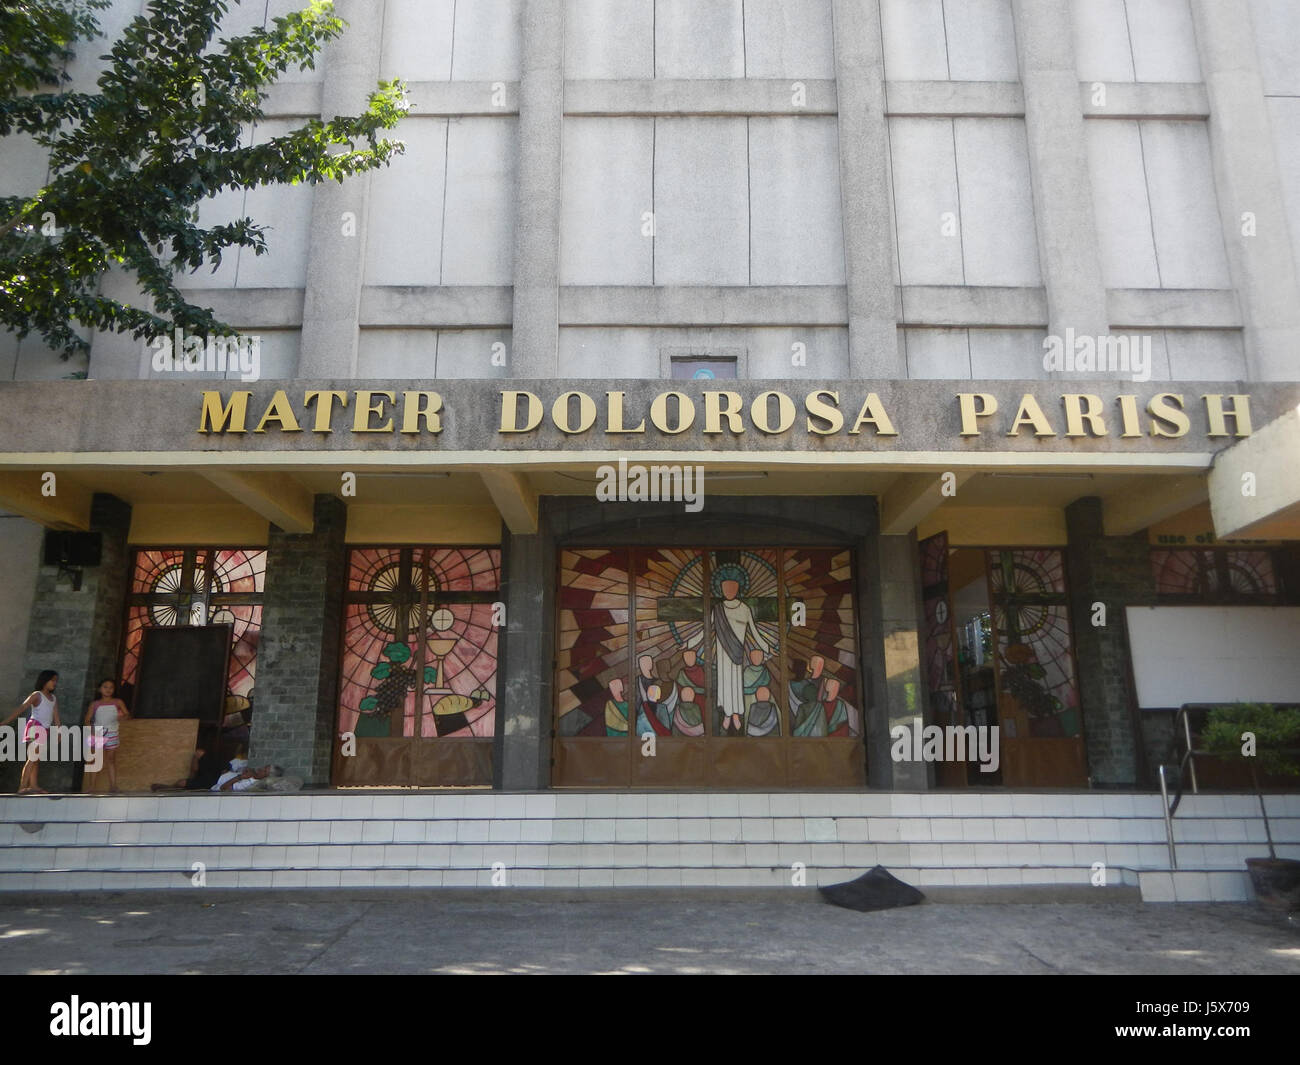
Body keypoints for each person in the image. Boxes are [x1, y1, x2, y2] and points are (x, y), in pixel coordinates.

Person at [2, 670, 60, 794]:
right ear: (44, 680)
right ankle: (22, 786)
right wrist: (4, 722)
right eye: (52, 680)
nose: (55, 683)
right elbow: (22, 708)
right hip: (35, 727)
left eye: (56, 680)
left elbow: (56, 716)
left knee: (35, 759)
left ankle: (33, 785)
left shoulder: (53, 698)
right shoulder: (37, 695)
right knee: (33, 758)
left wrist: (59, 731)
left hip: (44, 729)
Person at [84, 678, 130, 793]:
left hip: (112, 732)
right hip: (98, 732)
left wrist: (122, 717)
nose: (108, 690)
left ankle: (113, 786)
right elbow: (87, 720)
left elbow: (127, 715)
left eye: (111, 687)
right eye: (105, 687)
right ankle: (92, 787)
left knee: (111, 759)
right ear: (100, 689)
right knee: (96, 760)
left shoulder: (118, 702)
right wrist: (93, 731)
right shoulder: (95, 704)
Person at [212, 764, 283, 793]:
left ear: (267, 777)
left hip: (215, 782)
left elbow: (223, 788)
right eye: (264, 767)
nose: (261, 769)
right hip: (221, 774)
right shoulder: (253, 774)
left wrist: (241, 777)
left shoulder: (250, 784)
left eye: (264, 771)